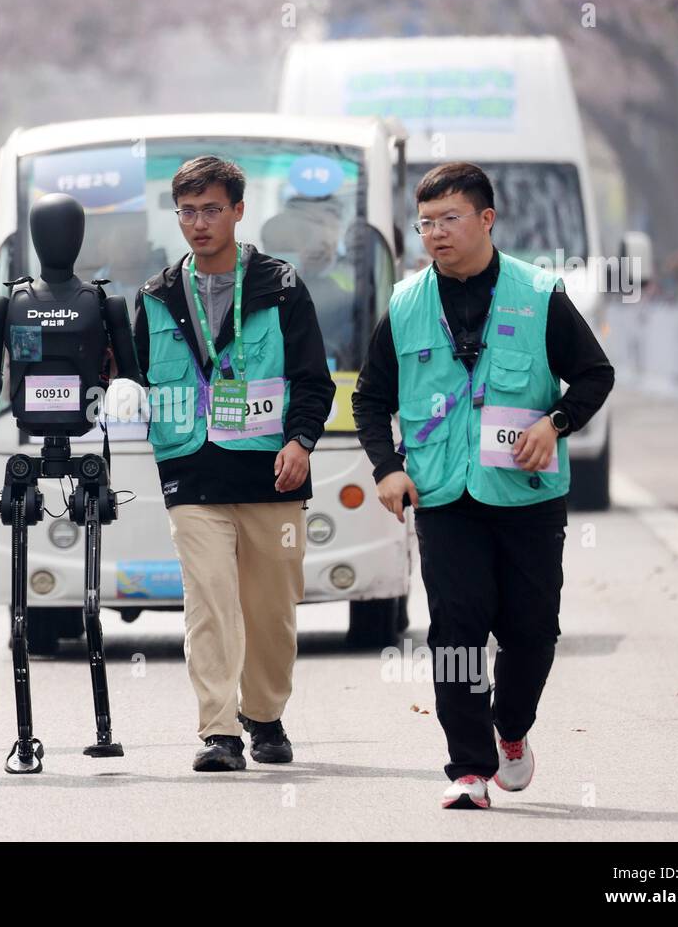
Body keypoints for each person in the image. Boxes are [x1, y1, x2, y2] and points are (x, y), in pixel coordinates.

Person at [352, 162, 614, 809]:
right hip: (443, 494)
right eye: (425, 224)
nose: (435, 234)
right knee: (456, 628)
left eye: (450, 220)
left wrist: (555, 424)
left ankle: (513, 731)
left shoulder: (538, 293)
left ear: (486, 220)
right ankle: (468, 769)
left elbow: (593, 375)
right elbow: (370, 398)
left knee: (532, 630)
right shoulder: (407, 304)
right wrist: (387, 468)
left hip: (527, 494)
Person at [132, 156, 335, 771]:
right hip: (190, 474)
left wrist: (300, 442)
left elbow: (314, 381)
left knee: (271, 610)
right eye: (188, 211)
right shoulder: (157, 296)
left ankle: (265, 714)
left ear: (238, 211)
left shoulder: (282, 286)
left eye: (212, 210)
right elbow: (132, 378)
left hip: (271, 475)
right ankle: (219, 732)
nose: (199, 223)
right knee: (210, 601)